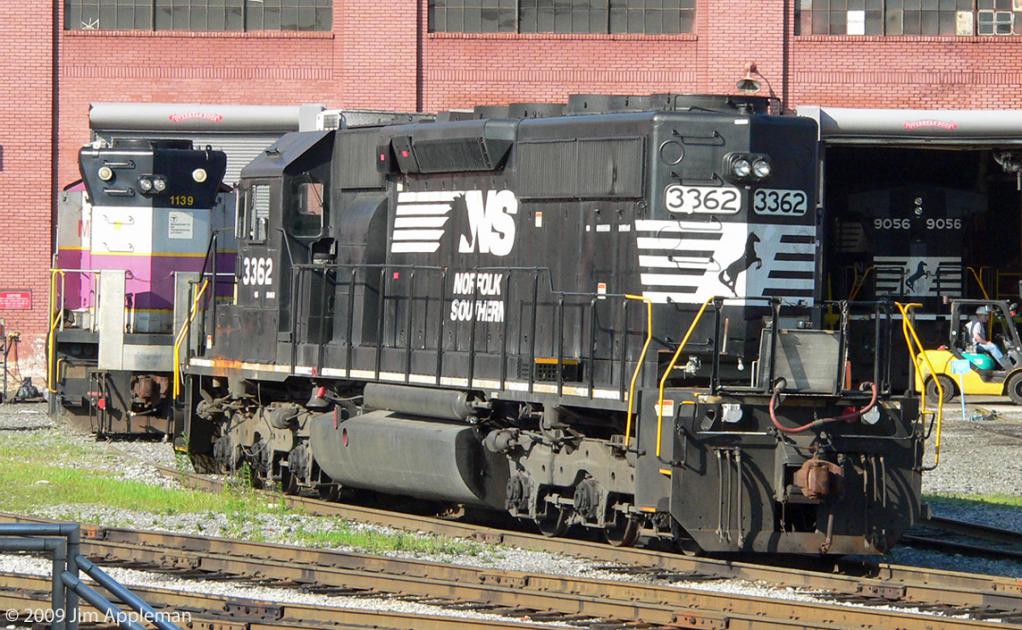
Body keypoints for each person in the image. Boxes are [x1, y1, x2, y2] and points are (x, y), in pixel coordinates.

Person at [968, 306, 1011, 370]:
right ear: (980, 315)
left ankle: (1001, 365)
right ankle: (1008, 367)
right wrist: (986, 342)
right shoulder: (977, 324)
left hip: (978, 345)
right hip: (976, 346)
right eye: (985, 316)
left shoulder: (978, 322)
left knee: (996, 344)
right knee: (993, 347)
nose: (987, 318)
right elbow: (976, 337)